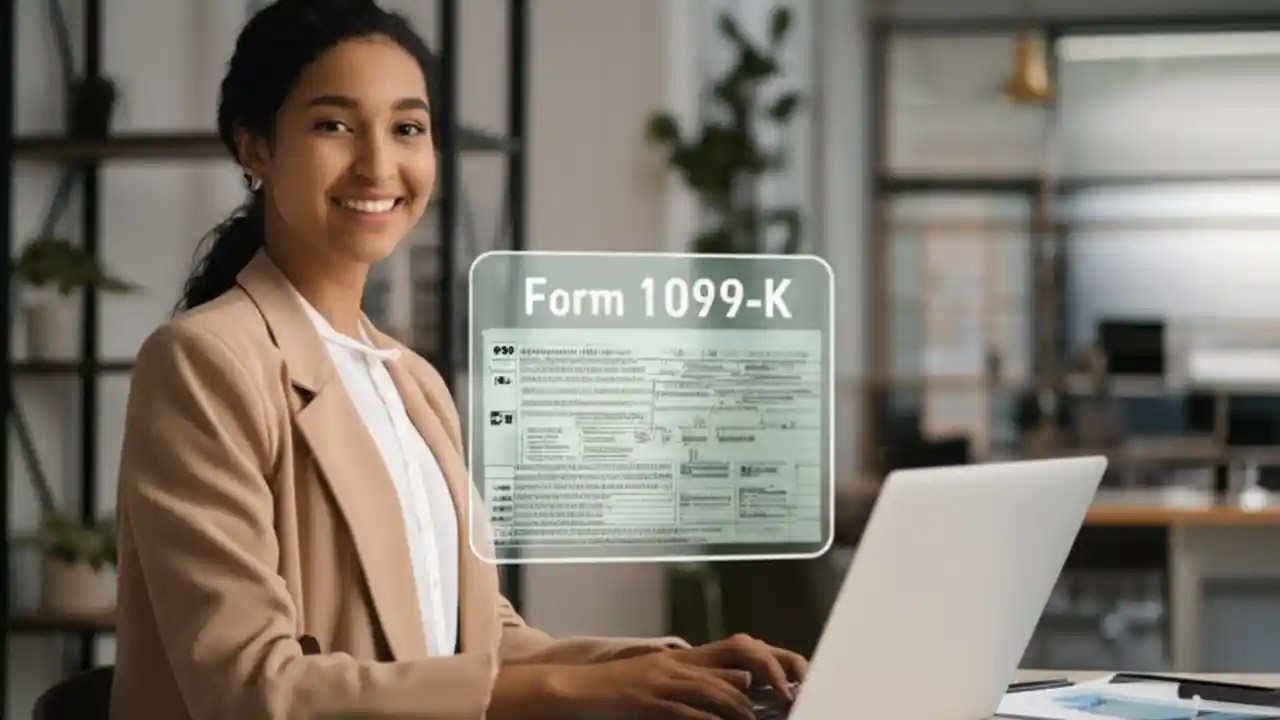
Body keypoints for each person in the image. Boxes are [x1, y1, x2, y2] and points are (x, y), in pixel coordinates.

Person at [109, 1, 806, 718]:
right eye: (334, 125)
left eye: (408, 128)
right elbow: (251, 688)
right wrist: (592, 688)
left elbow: (474, 642)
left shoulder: (409, 380)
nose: (379, 163)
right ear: (256, 148)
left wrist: (665, 663)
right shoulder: (204, 361)